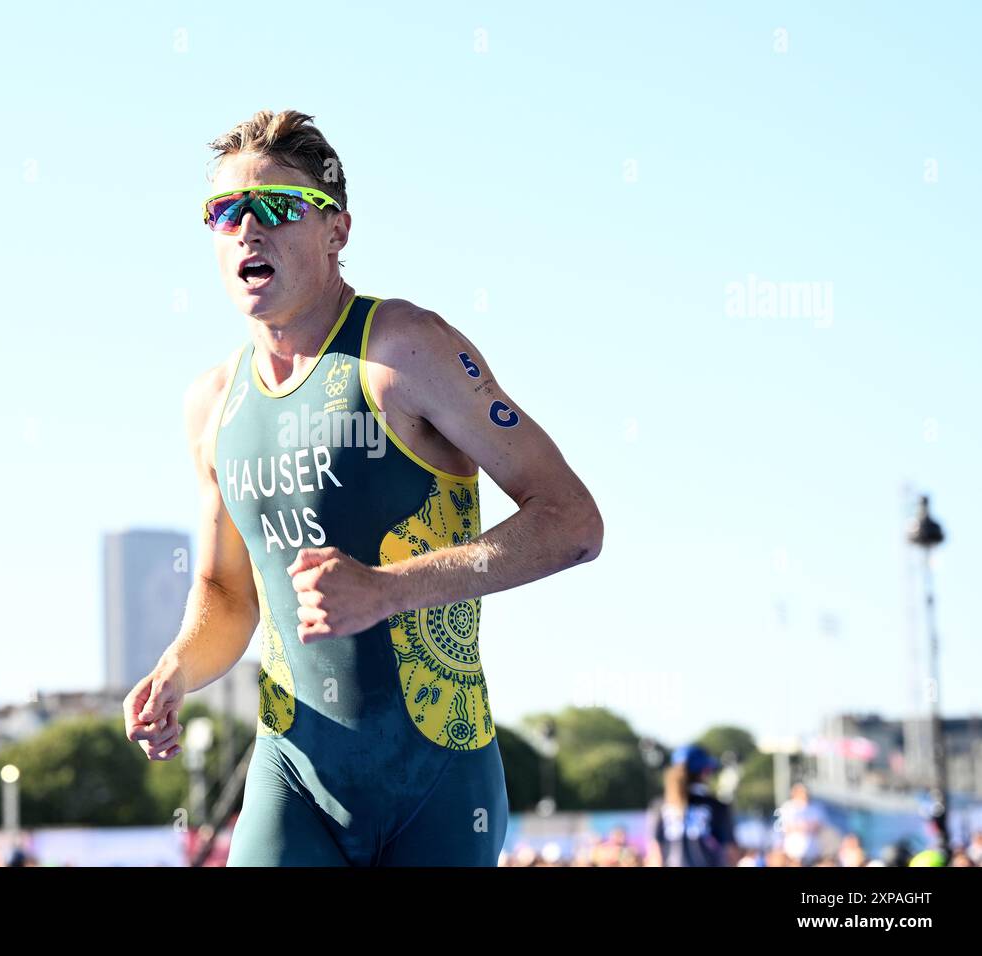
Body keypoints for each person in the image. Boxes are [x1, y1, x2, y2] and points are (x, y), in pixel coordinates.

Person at [122, 109, 604, 866]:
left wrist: (387, 590)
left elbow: (573, 522)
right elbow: (226, 590)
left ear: (337, 231)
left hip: (436, 783)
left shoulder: (405, 351)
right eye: (226, 212)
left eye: (279, 208)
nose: (249, 228)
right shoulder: (212, 403)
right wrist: (175, 670)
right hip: (294, 775)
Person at [646, 744, 737, 867]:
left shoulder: (660, 805)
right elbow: (730, 852)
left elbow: (655, 855)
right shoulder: (716, 806)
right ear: (705, 772)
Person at [776, 782, 824, 866]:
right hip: (792, 855)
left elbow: (817, 827)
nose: (804, 795)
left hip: (811, 854)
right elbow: (784, 828)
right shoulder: (787, 807)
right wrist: (804, 826)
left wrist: (799, 826)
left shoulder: (815, 808)